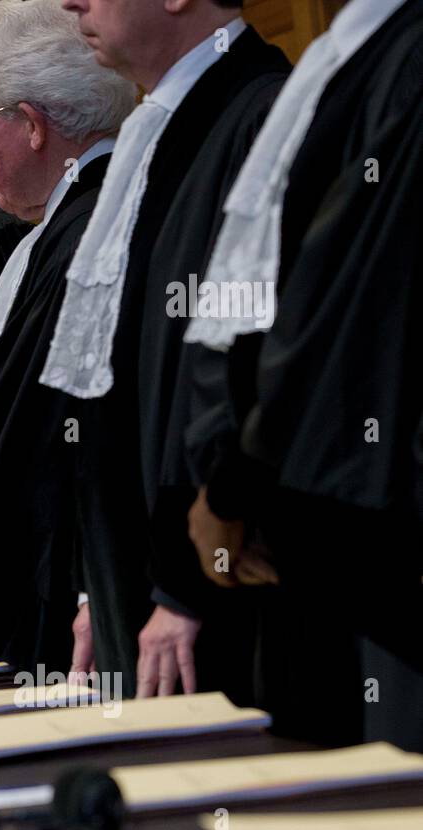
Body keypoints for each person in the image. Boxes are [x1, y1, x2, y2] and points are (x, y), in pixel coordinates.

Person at [181, 0, 423, 747]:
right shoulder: (348, 56)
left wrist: (236, 482)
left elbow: (336, 304)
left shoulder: (405, 56)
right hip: (310, 502)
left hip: (378, 505)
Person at [41, 0, 290, 701]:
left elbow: (237, 363)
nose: (72, 3)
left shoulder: (257, 111)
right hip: (138, 578)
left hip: (208, 584)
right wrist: (94, 587)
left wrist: (183, 588)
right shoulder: (157, 124)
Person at [0, 0, 135, 670]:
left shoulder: (93, 231)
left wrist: (89, 592)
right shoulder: (58, 228)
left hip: (81, 619)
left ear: (29, 125)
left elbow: (76, 441)